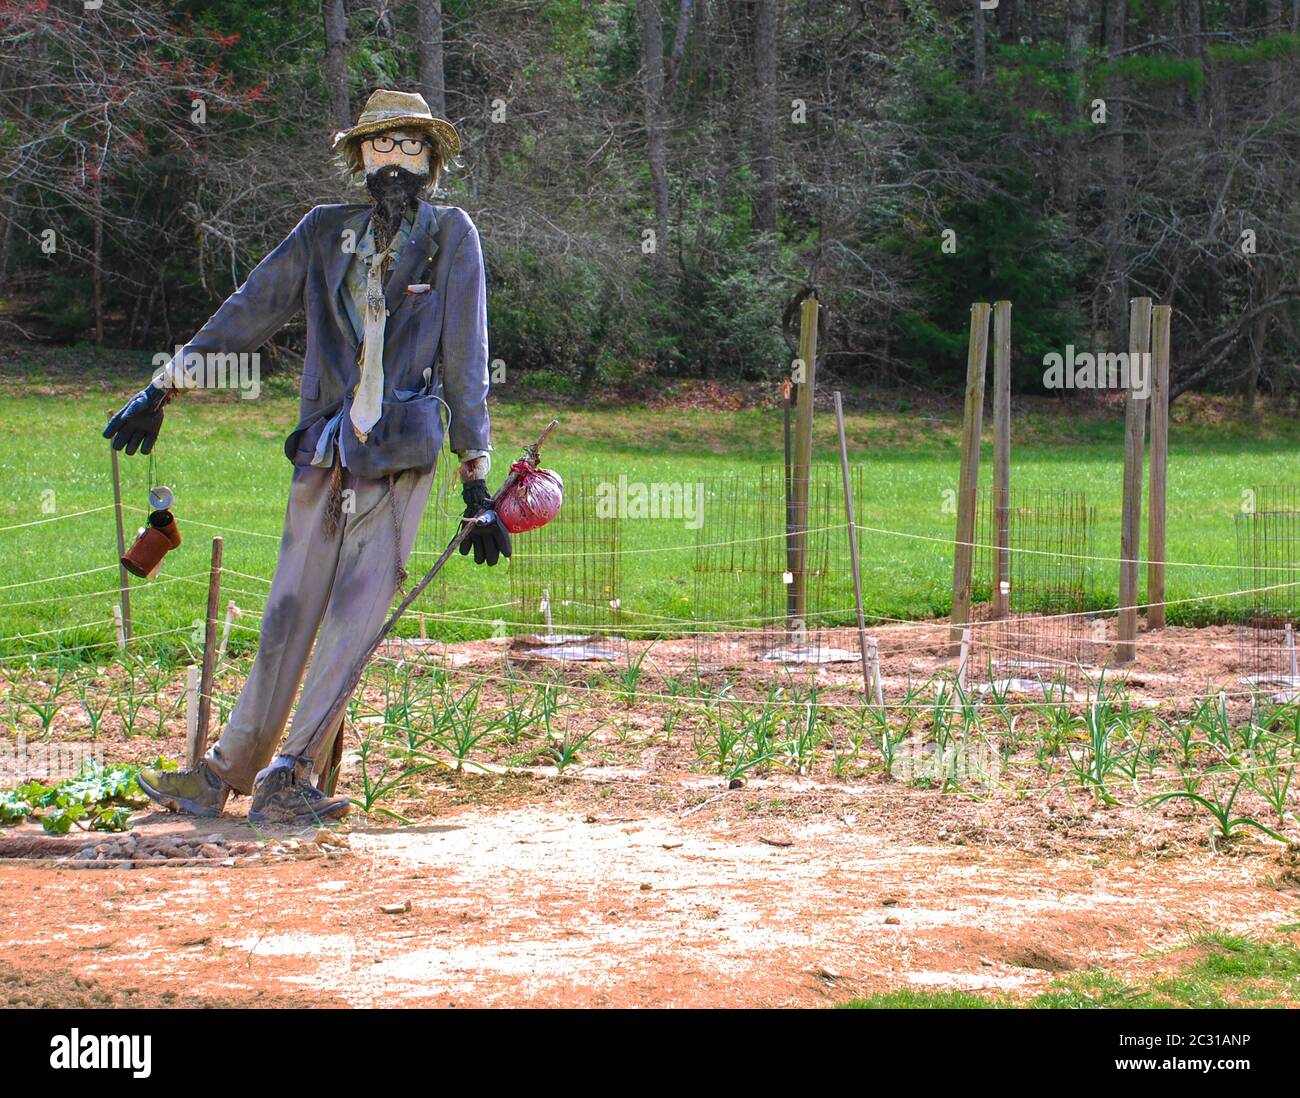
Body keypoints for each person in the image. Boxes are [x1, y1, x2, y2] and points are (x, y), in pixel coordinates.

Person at [103, 89, 511, 824]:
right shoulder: (324, 232)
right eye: (382, 147)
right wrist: (162, 388)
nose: (396, 163)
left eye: (411, 149)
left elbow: (465, 358)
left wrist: (475, 479)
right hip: (325, 448)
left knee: (354, 623)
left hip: (400, 457)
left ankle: (290, 779)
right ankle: (224, 773)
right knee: (287, 613)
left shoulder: (453, 237)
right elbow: (249, 309)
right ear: (359, 157)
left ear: (432, 162)